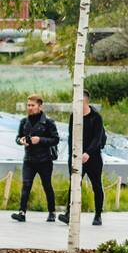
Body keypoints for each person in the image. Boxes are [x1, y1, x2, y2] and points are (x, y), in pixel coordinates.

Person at [58, 96, 107, 226]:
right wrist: (71, 157)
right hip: (77, 158)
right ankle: (69, 213)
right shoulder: (73, 116)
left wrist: (88, 153)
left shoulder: (96, 117)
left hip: (93, 158)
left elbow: (97, 138)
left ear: (85, 101)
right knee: (74, 185)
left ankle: (98, 214)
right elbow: (71, 137)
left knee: (96, 185)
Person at [12, 94, 59, 223]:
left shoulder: (49, 122)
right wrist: (20, 140)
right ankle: (22, 212)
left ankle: (52, 212)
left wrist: (40, 140)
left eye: (33, 105)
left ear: (40, 106)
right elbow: (17, 137)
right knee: (26, 185)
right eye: (28, 105)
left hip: (44, 160)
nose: (30, 108)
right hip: (29, 160)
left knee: (47, 186)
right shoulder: (24, 121)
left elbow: (56, 139)